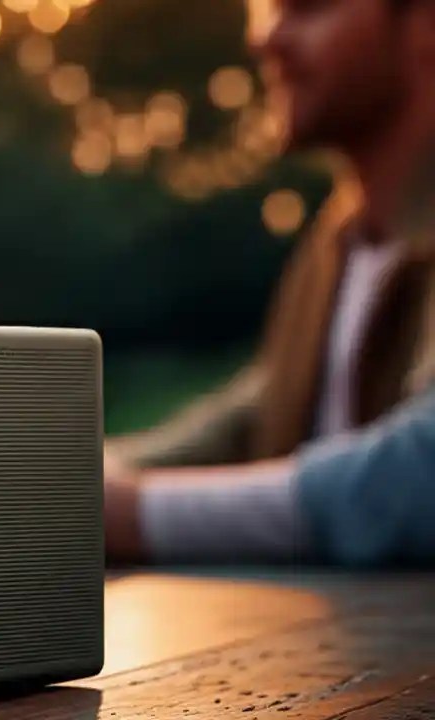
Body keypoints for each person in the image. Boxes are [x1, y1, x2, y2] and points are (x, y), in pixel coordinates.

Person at [104, 0, 435, 566]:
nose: (265, 38)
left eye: (306, 7)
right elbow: (258, 410)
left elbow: (420, 471)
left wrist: (137, 513)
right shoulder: (335, 245)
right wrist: (75, 479)